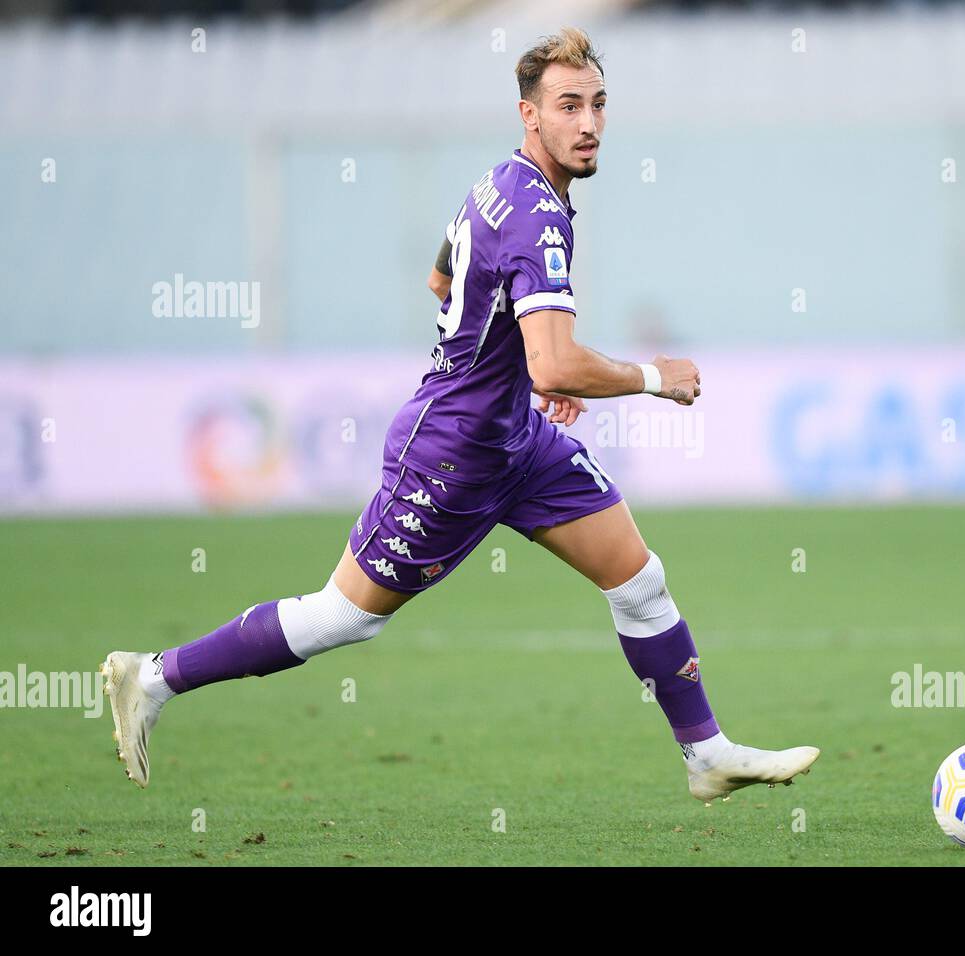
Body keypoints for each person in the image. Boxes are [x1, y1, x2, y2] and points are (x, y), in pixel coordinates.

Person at [101, 27, 818, 804]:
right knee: (345, 615)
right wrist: (653, 378)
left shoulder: (498, 183)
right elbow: (554, 359)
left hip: (517, 438)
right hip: (453, 453)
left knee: (639, 578)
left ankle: (706, 755)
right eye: (568, 106)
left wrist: (522, 363)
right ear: (529, 115)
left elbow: (443, 277)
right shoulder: (539, 216)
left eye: (598, 105)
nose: (588, 123)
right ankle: (155, 676)